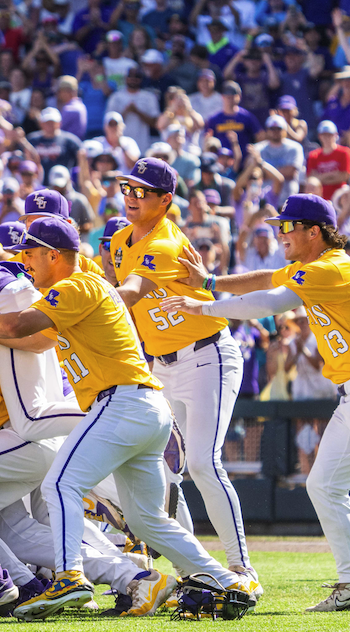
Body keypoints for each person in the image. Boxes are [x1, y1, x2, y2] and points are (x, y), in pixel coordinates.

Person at [0, 217, 255, 621]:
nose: (25, 262)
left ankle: (71, 576)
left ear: (54, 255)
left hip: (122, 403)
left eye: (31, 254)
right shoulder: (79, 288)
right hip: (142, 408)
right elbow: (30, 338)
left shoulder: (75, 286)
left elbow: (17, 324)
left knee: (59, 482)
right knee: (145, 520)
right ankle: (226, 581)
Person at [160, 194, 350, 613]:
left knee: (326, 486)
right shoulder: (310, 266)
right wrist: (210, 281)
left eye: (286, 227)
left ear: (313, 232)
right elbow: (265, 280)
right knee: (325, 485)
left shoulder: (332, 266)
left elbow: (271, 302)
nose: (278, 233)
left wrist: (204, 305)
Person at [108, 157, 258, 590]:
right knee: (164, 471)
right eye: (127, 187)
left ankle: (241, 568)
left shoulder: (166, 241)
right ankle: (195, 568)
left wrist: (78, 303)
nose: (132, 197)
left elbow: (131, 294)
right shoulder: (119, 241)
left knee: (204, 463)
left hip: (206, 355)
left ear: (165, 200)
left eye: (142, 191)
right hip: (162, 364)